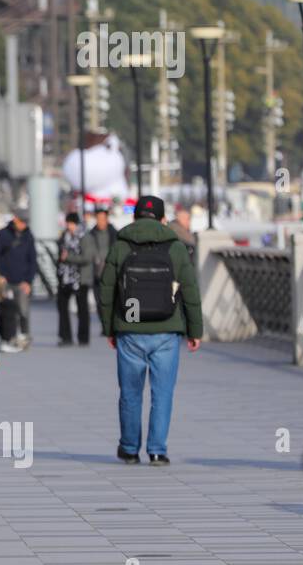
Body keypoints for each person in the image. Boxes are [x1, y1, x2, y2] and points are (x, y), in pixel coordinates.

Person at [98, 194, 202, 465]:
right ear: (163, 218)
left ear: (135, 218)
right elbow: (190, 290)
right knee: (162, 393)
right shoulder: (175, 247)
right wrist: (195, 331)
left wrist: (109, 328)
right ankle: (157, 450)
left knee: (130, 394)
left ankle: (130, 449)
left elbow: (106, 290)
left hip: (130, 328)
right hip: (167, 329)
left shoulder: (121, 245)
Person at [0, 209, 37, 350]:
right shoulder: (2, 234)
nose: (24, 225)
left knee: (23, 310)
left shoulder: (28, 236)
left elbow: (33, 260)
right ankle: (8, 338)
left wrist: (28, 281)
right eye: (22, 221)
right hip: (5, 281)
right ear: (15, 219)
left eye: (26, 222)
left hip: (22, 282)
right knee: (7, 311)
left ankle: (24, 337)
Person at [56, 212, 91, 347]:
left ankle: (83, 337)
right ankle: (65, 336)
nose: (69, 227)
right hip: (65, 278)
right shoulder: (64, 236)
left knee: (82, 308)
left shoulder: (85, 237)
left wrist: (68, 258)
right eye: (68, 224)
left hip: (80, 277)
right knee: (62, 306)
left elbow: (87, 257)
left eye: (71, 224)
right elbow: (59, 253)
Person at [85, 207, 118, 318]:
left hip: (111, 273)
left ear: (107, 219)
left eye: (103, 218)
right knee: (99, 301)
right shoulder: (91, 234)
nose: (101, 221)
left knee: (112, 301)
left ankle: (110, 324)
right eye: (98, 218)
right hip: (97, 274)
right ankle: (104, 324)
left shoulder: (114, 233)